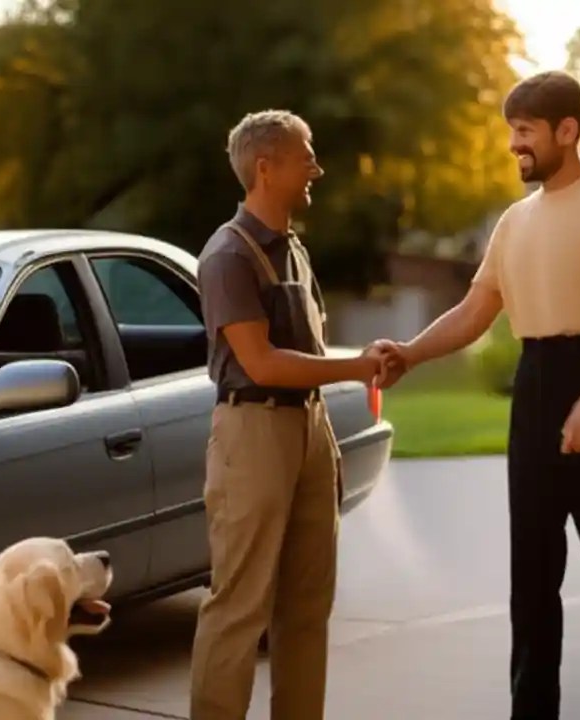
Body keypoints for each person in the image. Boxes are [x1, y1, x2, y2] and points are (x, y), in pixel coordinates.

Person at [374, 71, 580, 719]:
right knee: (532, 585)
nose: (515, 146)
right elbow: (474, 310)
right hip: (536, 387)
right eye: (511, 133)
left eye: (525, 133)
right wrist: (410, 352)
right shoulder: (515, 221)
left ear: (566, 131)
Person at [189, 109, 385, 720]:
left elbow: (308, 356)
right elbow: (264, 363)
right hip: (252, 431)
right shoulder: (227, 255)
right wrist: (358, 368)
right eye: (306, 157)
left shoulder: (294, 248)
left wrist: (354, 369)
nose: (316, 170)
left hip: (309, 427)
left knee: (307, 604)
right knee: (240, 604)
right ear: (265, 167)